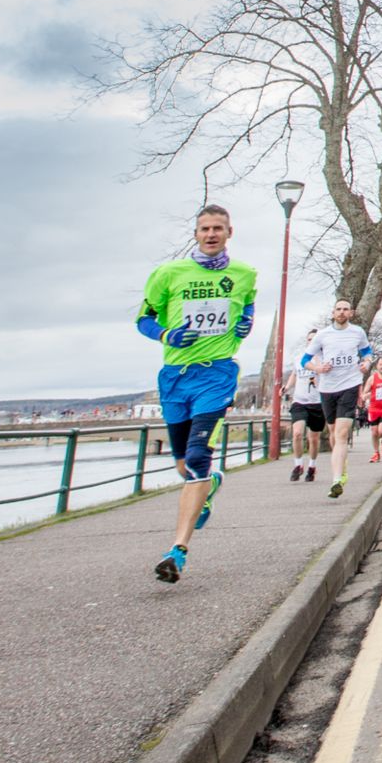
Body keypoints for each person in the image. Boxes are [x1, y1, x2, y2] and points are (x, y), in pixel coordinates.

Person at [136, 204, 257, 583]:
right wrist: (166, 334)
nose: (211, 234)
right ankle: (211, 484)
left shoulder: (244, 273)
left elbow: (248, 303)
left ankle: (178, 550)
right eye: (204, 228)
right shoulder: (168, 274)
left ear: (229, 232)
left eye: (218, 228)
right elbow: (143, 318)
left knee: (196, 456)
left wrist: (246, 322)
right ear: (196, 233)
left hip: (217, 375)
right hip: (175, 378)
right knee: (182, 464)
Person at [302, 300, 373, 499]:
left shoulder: (358, 332)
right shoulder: (323, 335)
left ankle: (336, 480)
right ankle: (341, 468)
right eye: (338, 309)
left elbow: (367, 352)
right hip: (327, 388)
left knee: (341, 434)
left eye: (345, 309)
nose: (342, 312)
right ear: (333, 313)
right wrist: (318, 369)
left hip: (349, 385)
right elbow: (304, 361)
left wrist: (366, 363)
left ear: (351, 313)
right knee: (333, 432)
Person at [284, 329, 323, 482]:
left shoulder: (323, 358)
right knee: (297, 433)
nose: (311, 342)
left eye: (314, 340)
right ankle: (298, 464)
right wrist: (287, 387)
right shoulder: (300, 358)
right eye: (309, 339)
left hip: (317, 402)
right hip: (299, 401)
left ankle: (312, 466)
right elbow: (294, 374)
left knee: (313, 438)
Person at [362, 355, 382, 463]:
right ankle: (376, 453)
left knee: (381, 430)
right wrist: (365, 395)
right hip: (374, 409)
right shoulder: (372, 378)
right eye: (380, 364)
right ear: (377, 366)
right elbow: (364, 392)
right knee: (374, 432)